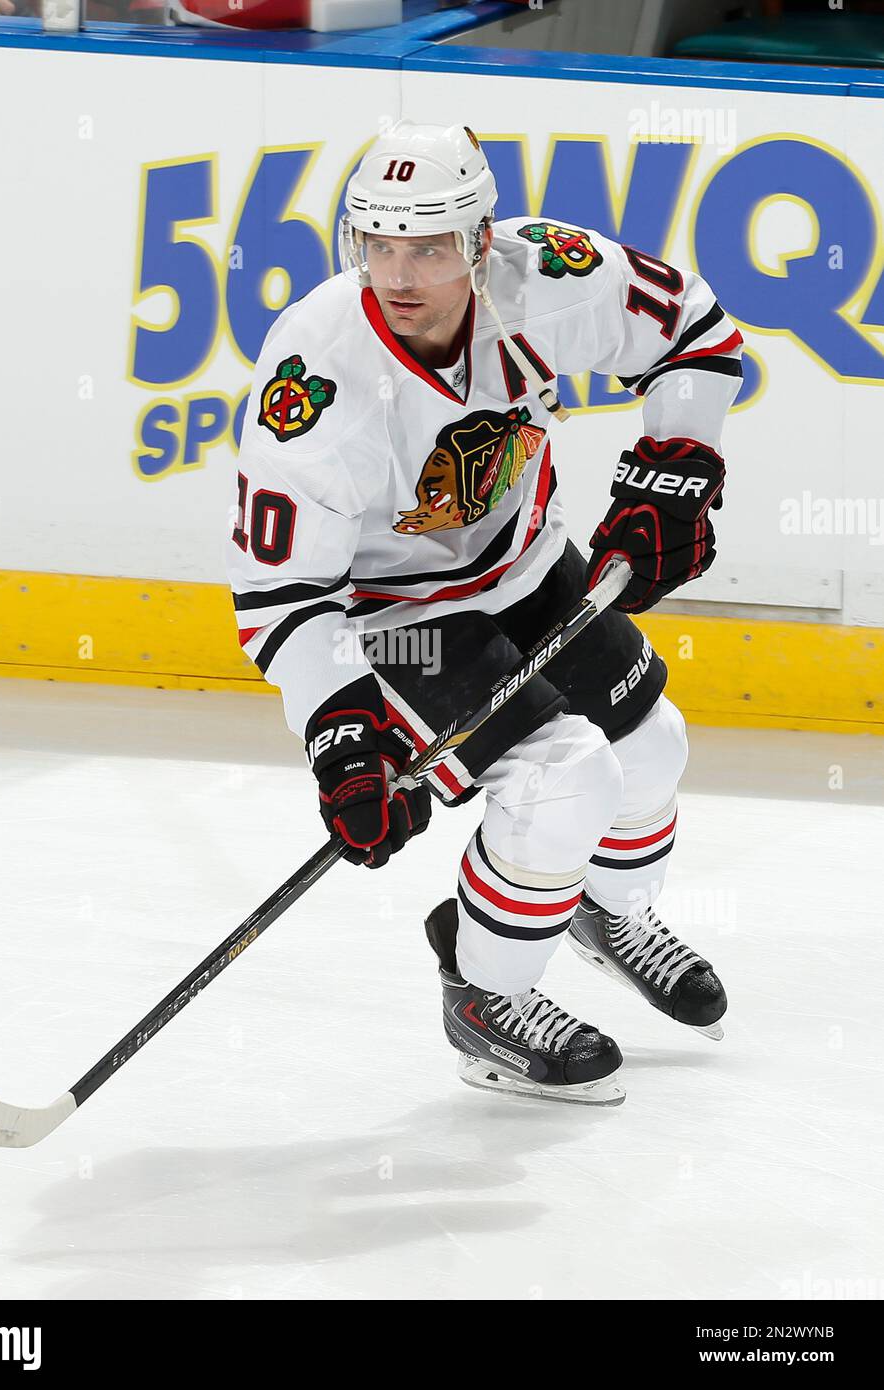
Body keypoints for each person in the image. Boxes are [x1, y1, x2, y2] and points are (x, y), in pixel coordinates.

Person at [227, 121, 741, 1104]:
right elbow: (282, 594)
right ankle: (484, 992)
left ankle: (599, 909)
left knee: (652, 747)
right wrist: (343, 740)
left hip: (522, 559)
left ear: (478, 239)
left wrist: (679, 470)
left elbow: (694, 330)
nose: (400, 273)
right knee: (563, 782)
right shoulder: (317, 374)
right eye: (378, 243)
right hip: (392, 610)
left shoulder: (544, 275)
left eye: (427, 245)